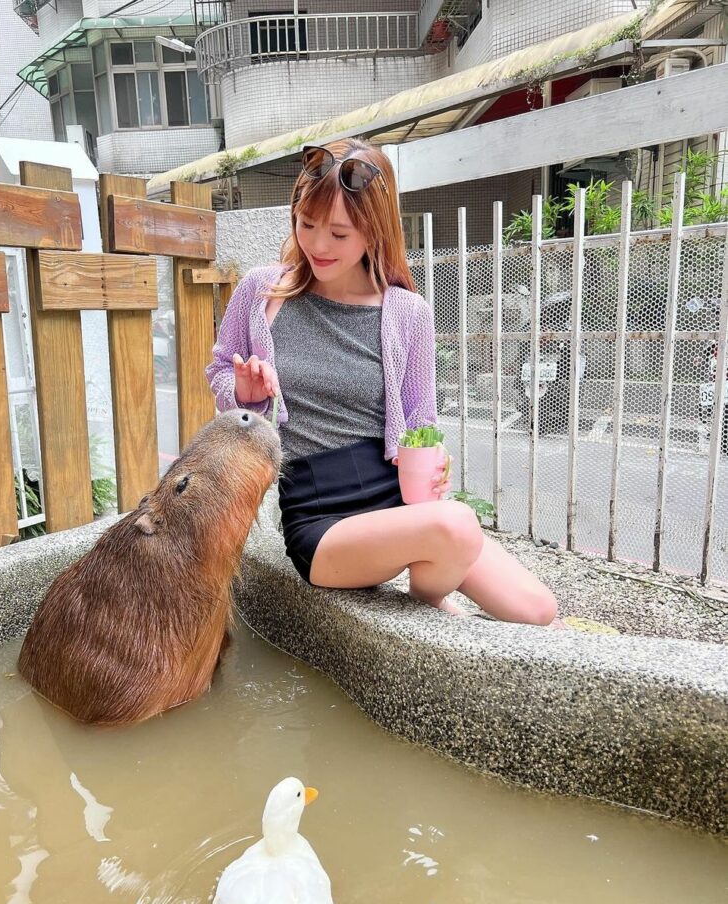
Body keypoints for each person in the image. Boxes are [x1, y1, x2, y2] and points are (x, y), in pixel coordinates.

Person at [206, 138, 558, 625]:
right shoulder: (263, 292)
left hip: (398, 496)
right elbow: (221, 368)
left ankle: (428, 580)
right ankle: (429, 599)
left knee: (541, 611)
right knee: (456, 526)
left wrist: (431, 458)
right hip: (320, 513)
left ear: (374, 231)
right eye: (306, 224)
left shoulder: (407, 313)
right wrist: (244, 395)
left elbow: (420, 416)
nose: (318, 245)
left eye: (339, 233)